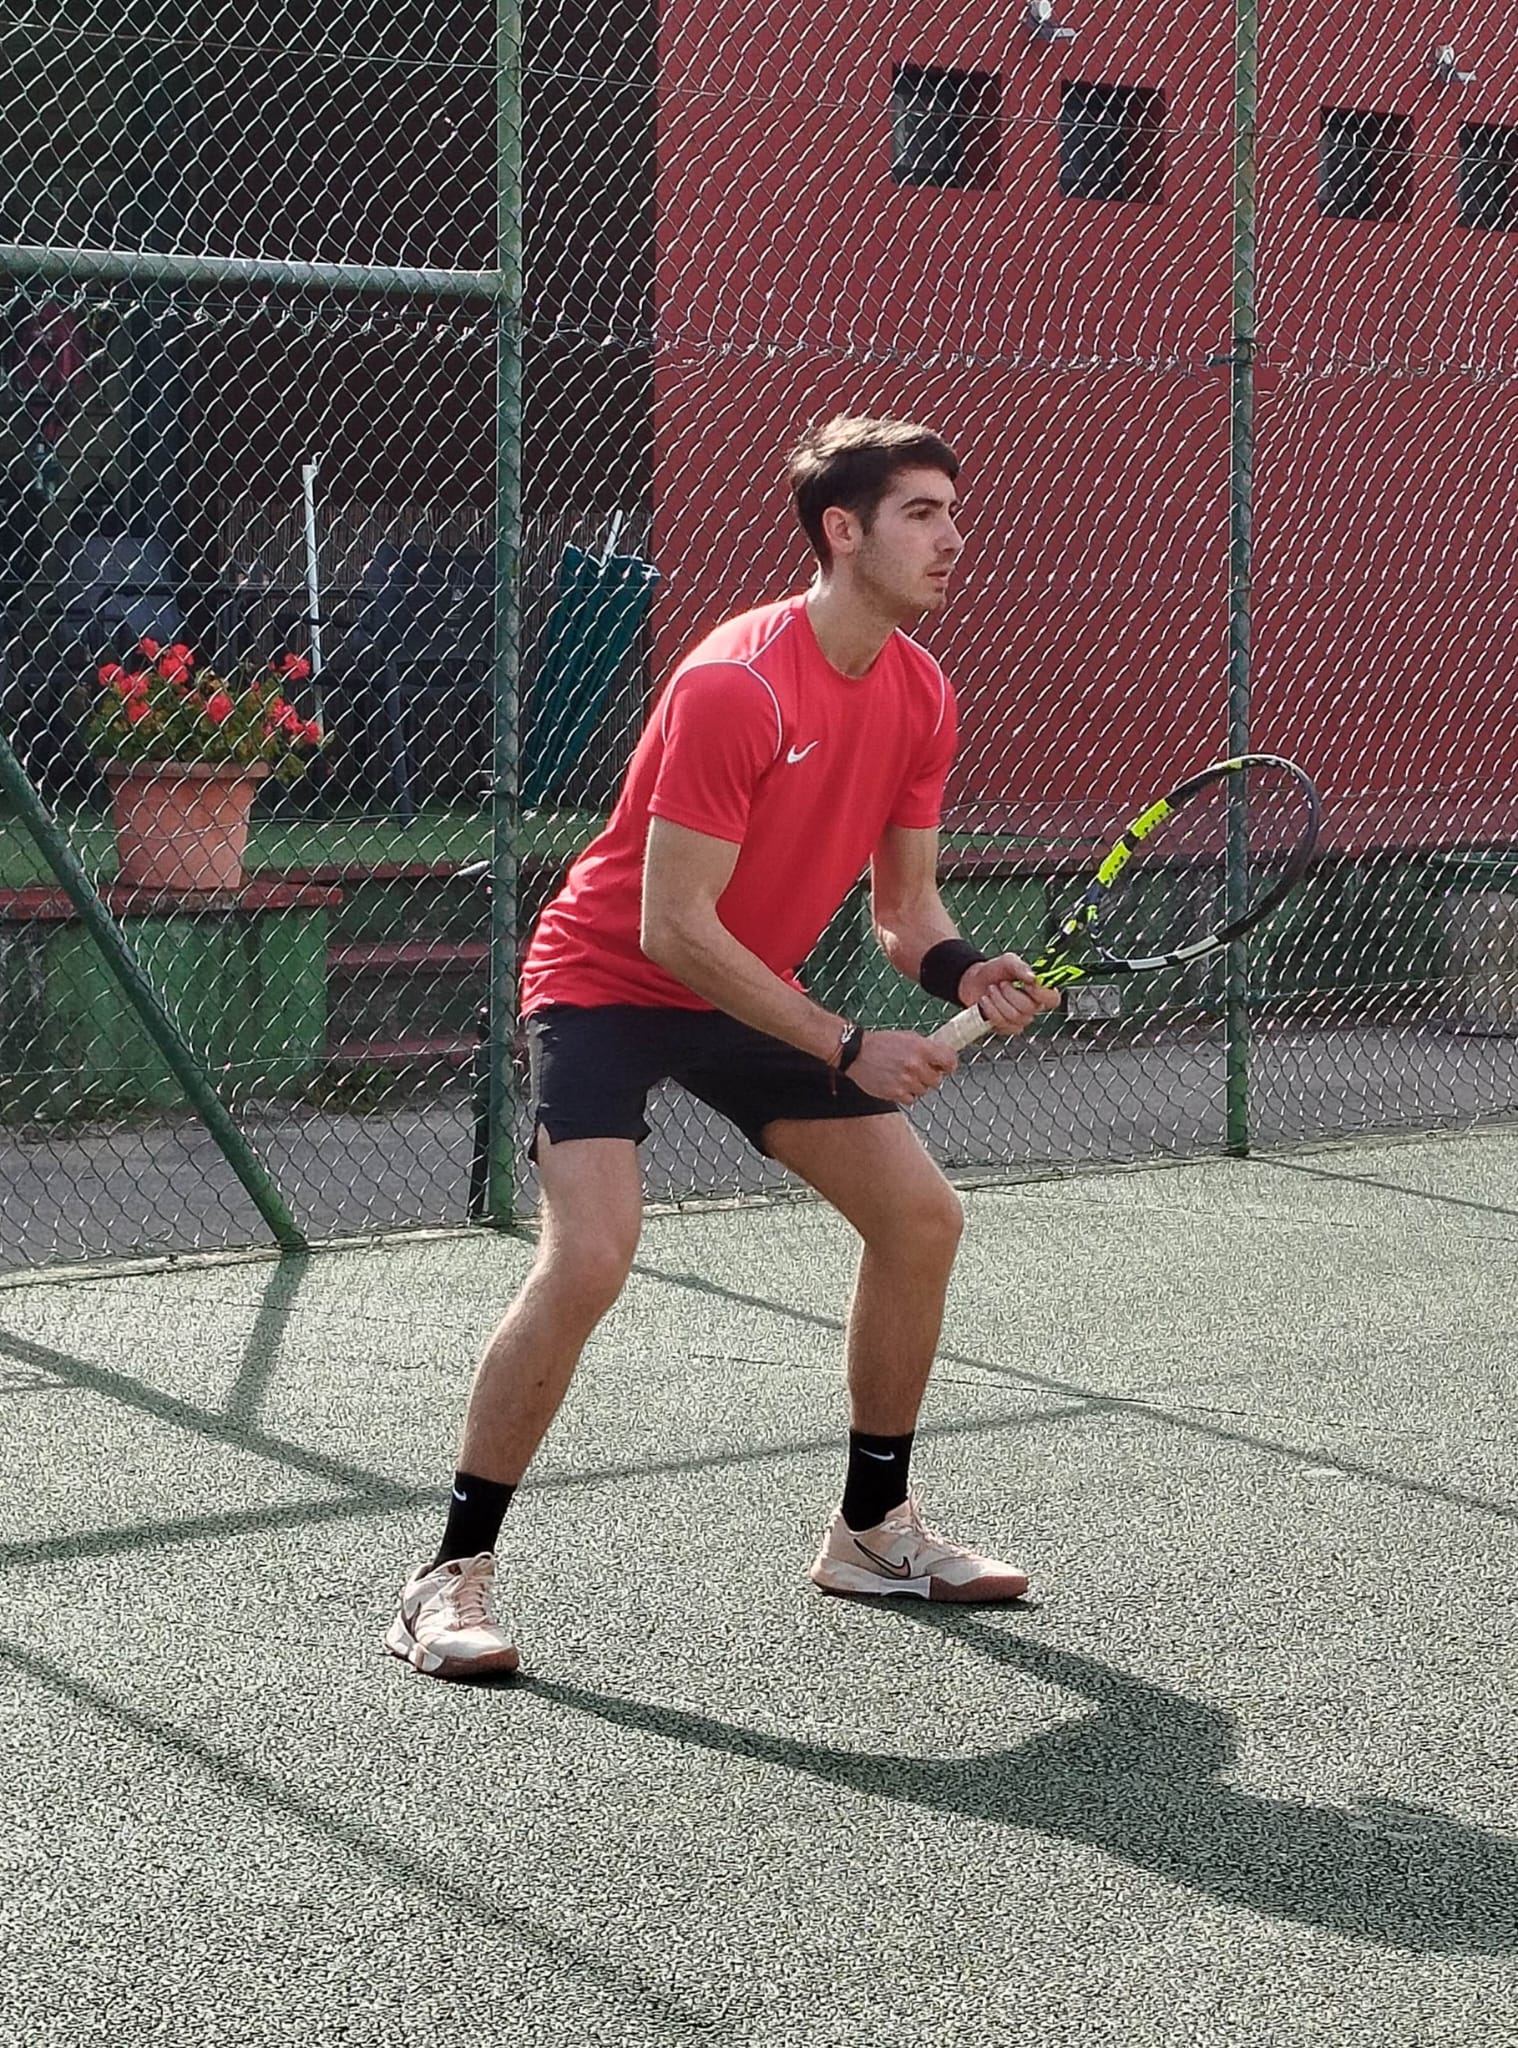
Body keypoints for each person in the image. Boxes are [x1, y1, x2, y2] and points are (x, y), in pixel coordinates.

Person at [386, 414, 1061, 1680]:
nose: (953, 539)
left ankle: (872, 1531)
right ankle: (448, 1574)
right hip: (607, 981)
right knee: (591, 1254)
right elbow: (672, 926)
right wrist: (845, 1042)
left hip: (747, 989)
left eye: (953, 512)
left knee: (920, 1218)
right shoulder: (734, 684)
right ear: (842, 530)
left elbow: (906, 909)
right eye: (922, 513)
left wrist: (965, 969)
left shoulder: (920, 692)